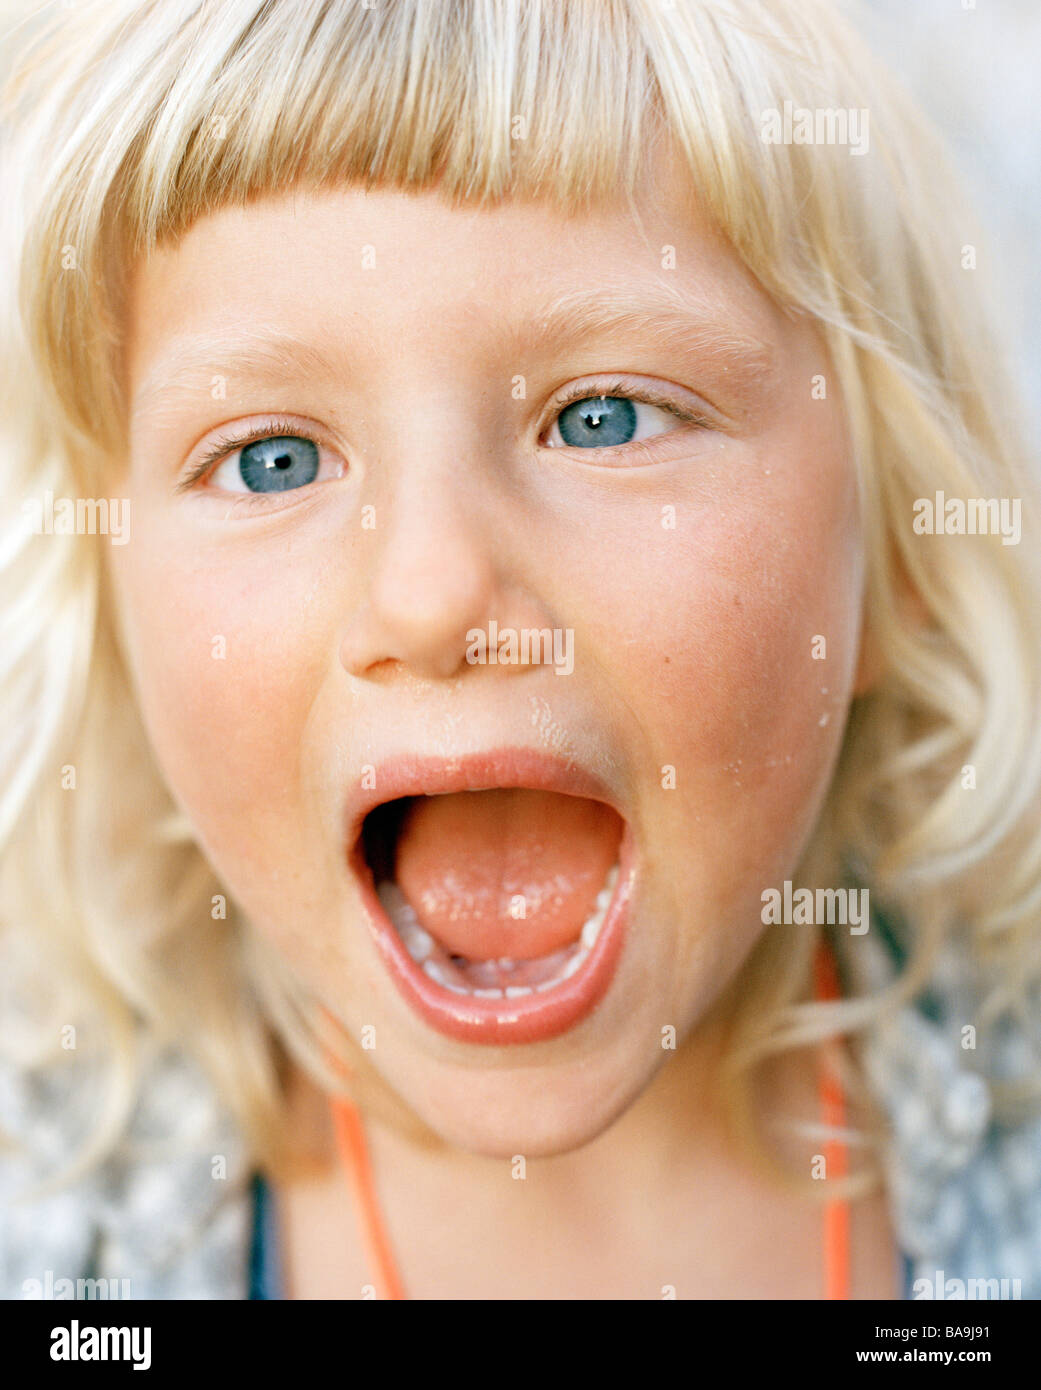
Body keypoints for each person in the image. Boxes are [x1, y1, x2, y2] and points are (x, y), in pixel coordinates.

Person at [1, 0, 1039, 1301]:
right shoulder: (50, 1227)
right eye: (274, 458)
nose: (434, 592)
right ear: (111, 593)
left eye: (602, 418)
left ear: (895, 558)